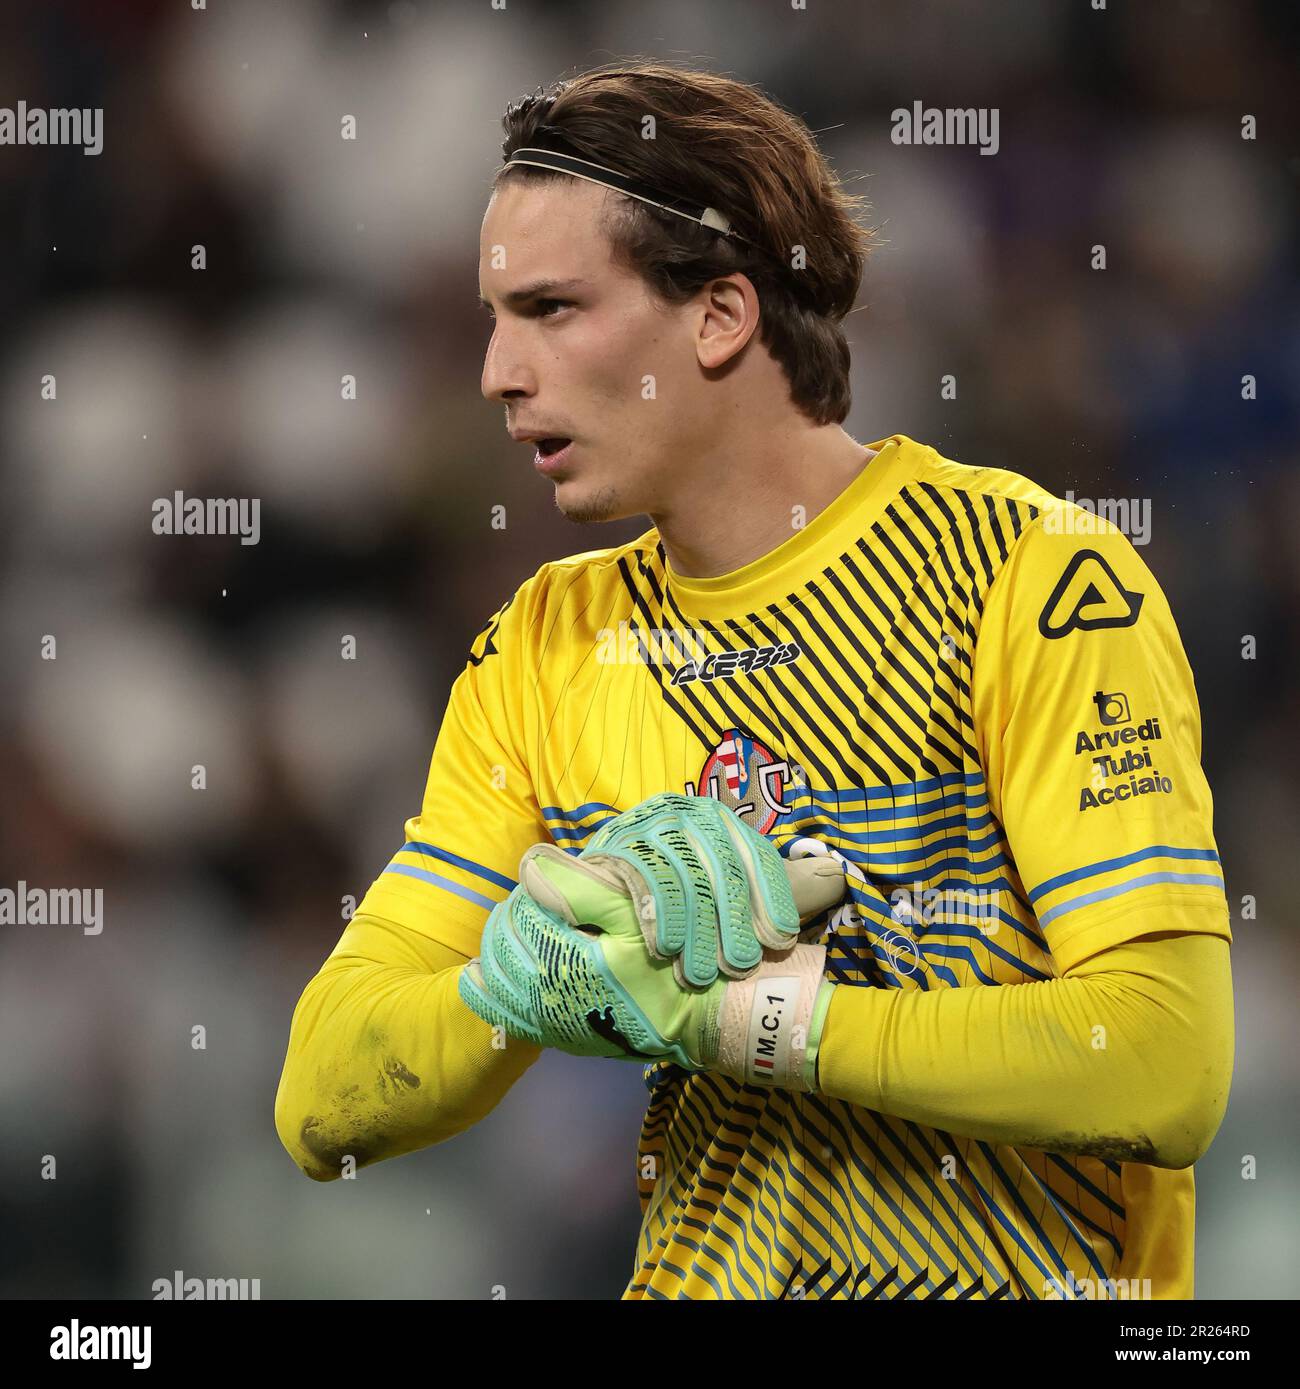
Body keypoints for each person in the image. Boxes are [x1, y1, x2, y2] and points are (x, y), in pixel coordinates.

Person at [275, 60, 1233, 1300]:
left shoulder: (1031, 581)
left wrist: (753, 1025)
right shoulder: (543, 645)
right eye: (494, 317)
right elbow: (319, 1101)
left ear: (721, 316)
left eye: (553, 309)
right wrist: (514, 983)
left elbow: (1164, 1063)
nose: (497, 372)